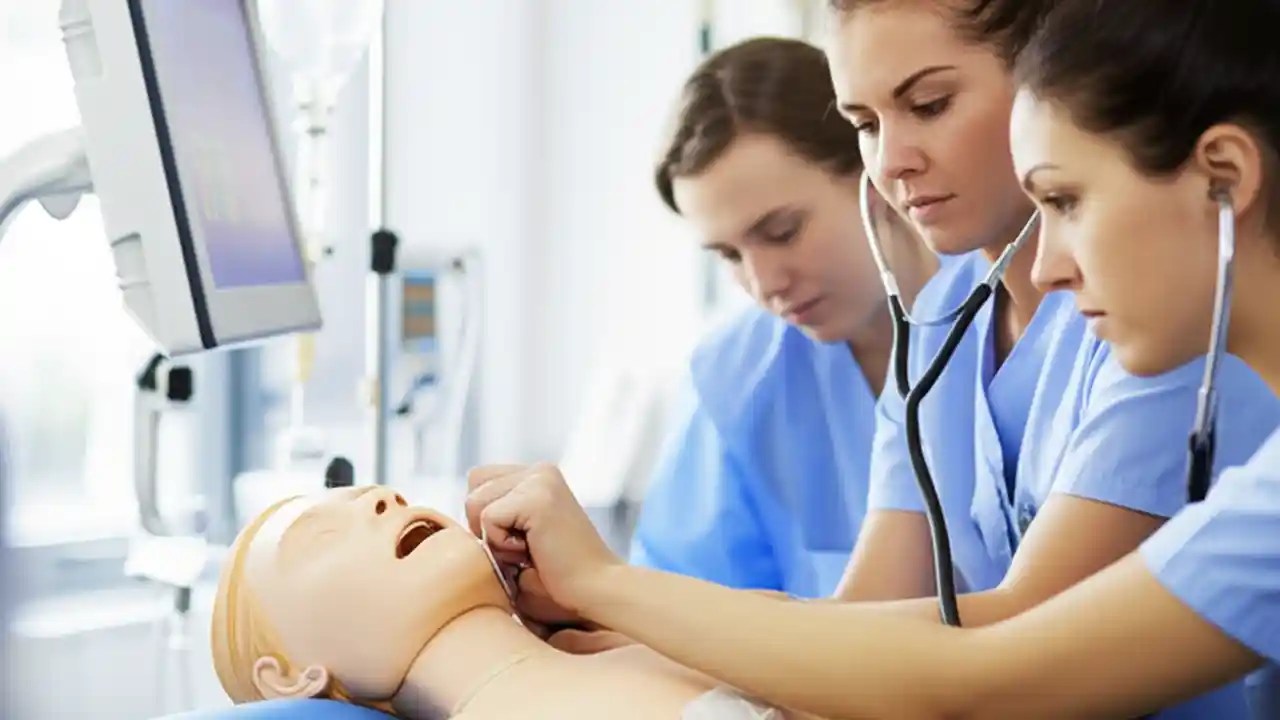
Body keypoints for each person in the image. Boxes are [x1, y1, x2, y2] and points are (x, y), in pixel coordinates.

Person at [463, 0, 1280, 717]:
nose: (890, 164)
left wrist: (608, 591)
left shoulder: (1155, 331)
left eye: (929, 103)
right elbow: (858, 626)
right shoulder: (944, 324)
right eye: (863, 124)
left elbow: (997, 668)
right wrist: (597, 627)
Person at [631, 37, 935, 598]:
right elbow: (684, 615)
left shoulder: (1020, 326)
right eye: (729, 255)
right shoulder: (736, 379)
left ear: (873, 168)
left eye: (782, 232)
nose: (765, 284)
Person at [210, 484, 822, 719]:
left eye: (384, 496)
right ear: (288, 677)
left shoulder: (617, 644)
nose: (383, 501)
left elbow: (855, 644)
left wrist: (603, 606)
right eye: (321, 538)